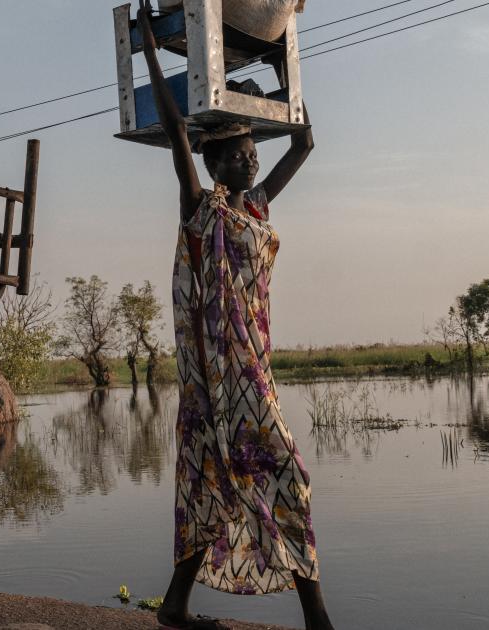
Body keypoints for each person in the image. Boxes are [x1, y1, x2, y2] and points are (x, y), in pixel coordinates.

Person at [134, 2, 333, 629]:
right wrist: (146, 45)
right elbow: (174, 133)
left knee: (214, 483)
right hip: (215, 381)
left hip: (253, 370)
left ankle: (174, 606)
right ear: (214, 163)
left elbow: (302, 143)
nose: (248, 161)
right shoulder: (201, 208)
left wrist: (290, 91)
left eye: (250, 151)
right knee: (279, 474)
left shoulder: (257, 209)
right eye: (236, 155)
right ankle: (317, 619)